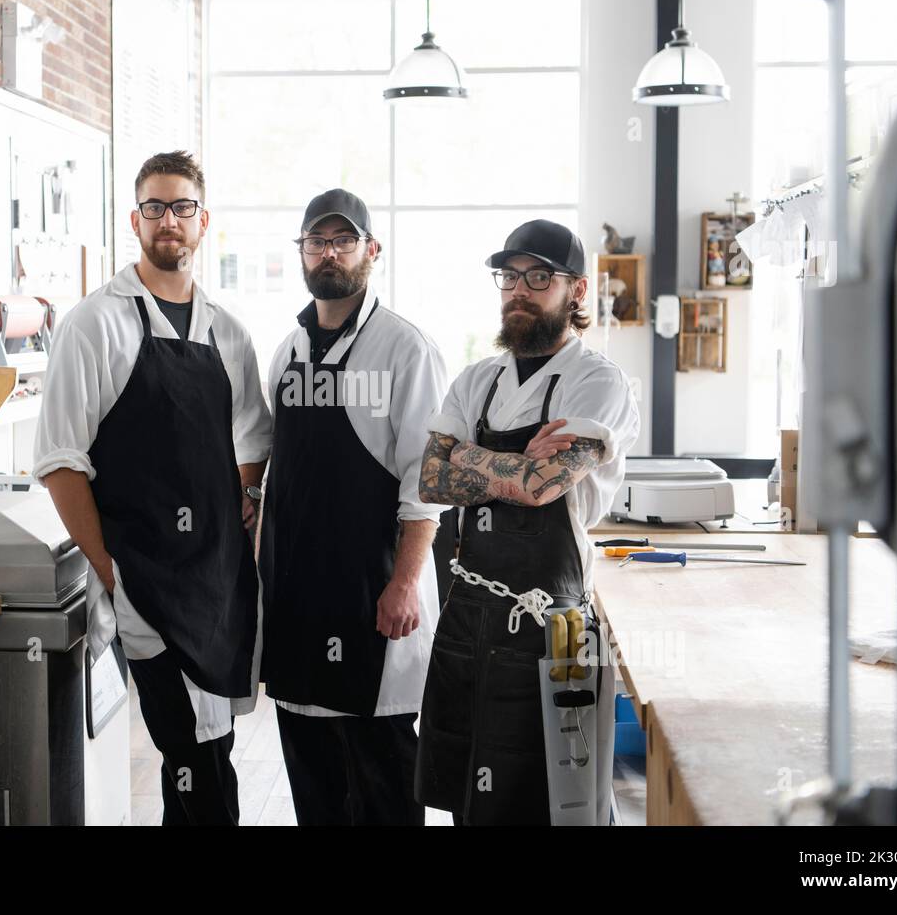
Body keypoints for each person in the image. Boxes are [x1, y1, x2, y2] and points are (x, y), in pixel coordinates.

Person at [33, 150, 272, 825]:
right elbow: (60, 462)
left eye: (183, 207)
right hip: (145, 586)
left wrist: (234, 516)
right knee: (195, 755)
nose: (170, 220)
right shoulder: (96, 324)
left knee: (208, 751)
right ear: (134, 220)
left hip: (215, 584)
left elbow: (252, 444)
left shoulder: (228, 332)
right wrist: (112, 571)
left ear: (204, 222)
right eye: (156, 208)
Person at [415, 219, 640, 825]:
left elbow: (543, 488)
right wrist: (510, 466)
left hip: (551, 626)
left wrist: (464, 454)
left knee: (558, 802)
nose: (520, 289)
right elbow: (430, 478)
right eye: (509, 276)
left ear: (577, 290)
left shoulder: (598, 382)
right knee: (470, 800)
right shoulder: (476, 379)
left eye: (539, 276)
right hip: (466, 616)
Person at [256, 188, 449, 825]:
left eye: (343, 240)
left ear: (372, 250)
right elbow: (273, 472)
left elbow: (425, 481)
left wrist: (404, 583)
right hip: (297, 602)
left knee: (384, 786)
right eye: (317, 240)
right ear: (302, 252)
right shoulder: (288, 351)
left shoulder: (404, 349)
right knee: (314, 787)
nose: (329, 252)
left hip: (373, 599)